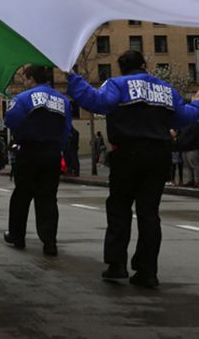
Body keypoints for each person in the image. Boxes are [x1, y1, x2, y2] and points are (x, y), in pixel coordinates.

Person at [67, 50, 199, 287]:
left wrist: (73, 77)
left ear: (121, 68)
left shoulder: (116, 85)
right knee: (149, 213)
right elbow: (182, 117)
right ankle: (147, 271)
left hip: (126, 154)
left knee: (119, 208)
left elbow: (96, 102)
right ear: (144, 65)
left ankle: (116, 265)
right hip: (159, 155)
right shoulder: (165, 89)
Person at [3, 65, 71, 257]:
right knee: (48, 198)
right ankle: (49, 241)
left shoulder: (24, 98)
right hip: (51, 153)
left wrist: (22, 132)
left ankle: (17, 235)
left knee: (22, 196)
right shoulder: (63, 100)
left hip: (29, 151)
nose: (24, 83)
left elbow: (11, 119)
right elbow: (67, 129)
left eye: (24, 79)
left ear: (31, 79)